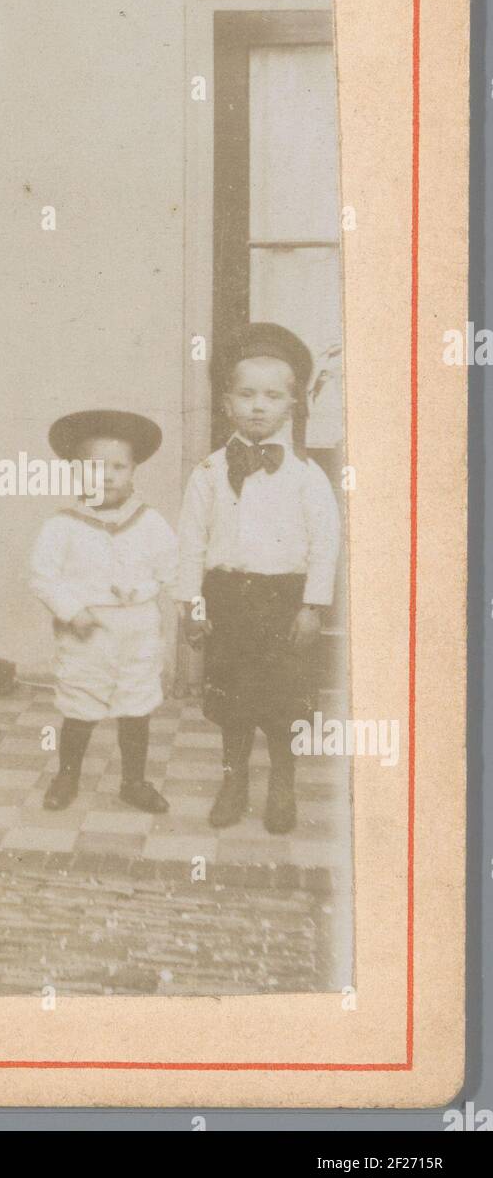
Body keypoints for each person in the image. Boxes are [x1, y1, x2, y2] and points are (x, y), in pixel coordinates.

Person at [175, 324, 341, 835]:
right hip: (227, 599)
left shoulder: (307, 477)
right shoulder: (207, 472)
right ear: (226, 402)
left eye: (272, 395)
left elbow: (325, 545)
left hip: (284, 602)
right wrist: (193, 606)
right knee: (234, 702)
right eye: (245, 394)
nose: (257, 406)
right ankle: (234, 781)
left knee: (283, 701)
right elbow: (190, 544)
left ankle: (283, 785)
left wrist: (313, 608)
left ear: (292, 404)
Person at [30, 409, 178, 813]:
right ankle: (68, 775)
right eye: (95, 467)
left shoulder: (149, 522)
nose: (108, 476)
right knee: (80, 704)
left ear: (133, 472)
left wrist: (146, 589)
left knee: (136, 705)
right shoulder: (62, 525)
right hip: (86, 631)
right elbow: (43, 576)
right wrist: (71, 610)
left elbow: (171, 569)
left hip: (137, 630)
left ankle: (134, 781)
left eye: (118, 466)